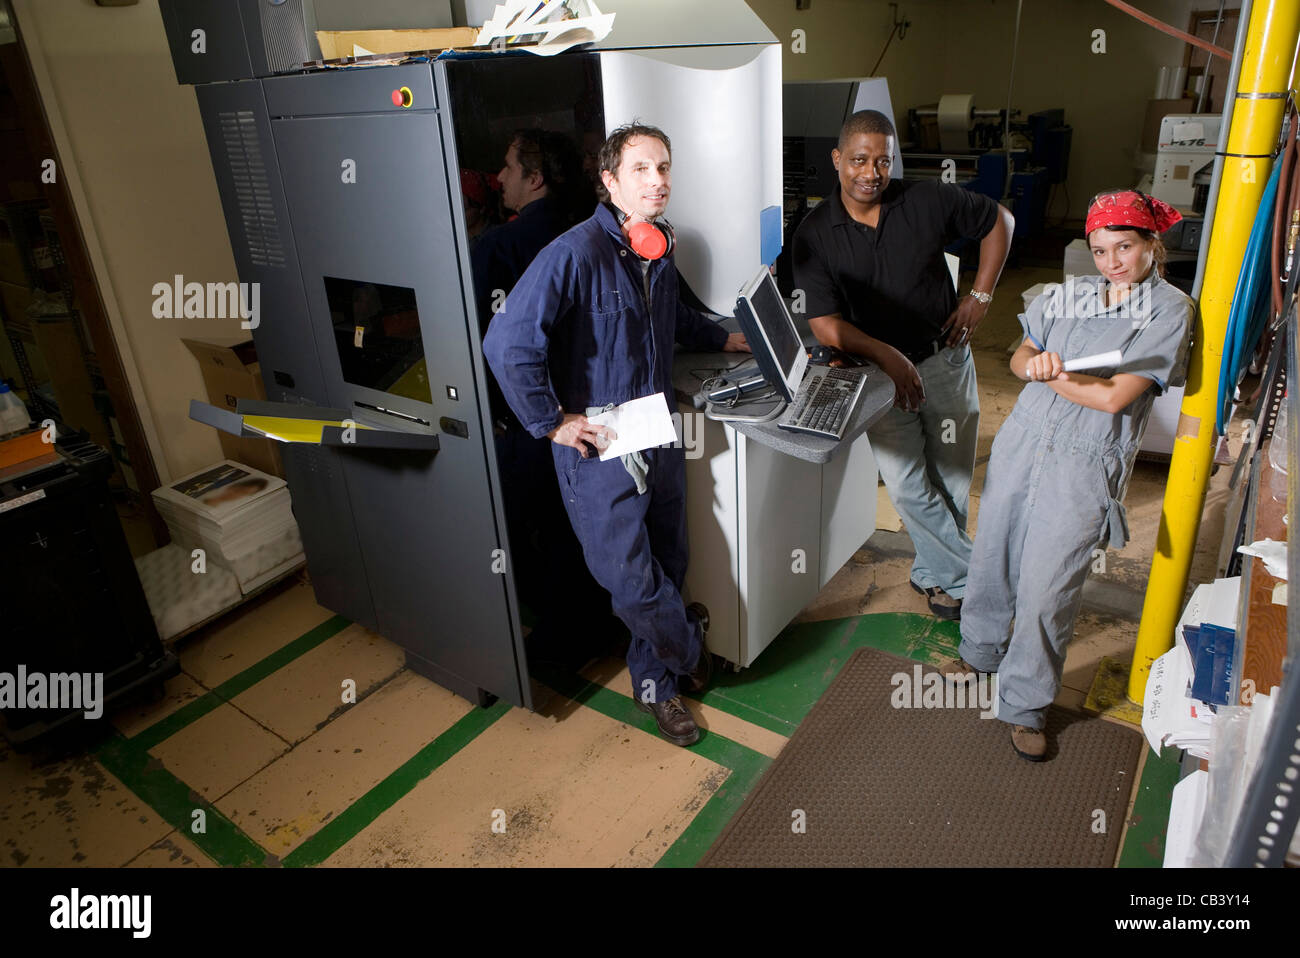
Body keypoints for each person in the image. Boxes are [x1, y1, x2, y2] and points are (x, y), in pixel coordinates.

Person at [483, 122, 749, 747]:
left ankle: (657, 684)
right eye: (641, 170)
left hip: (656, 429)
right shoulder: (574, 253)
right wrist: (552, 421)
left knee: (668, 559)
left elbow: (673, 315)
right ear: (609, 181)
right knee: (629, 578)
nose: (657, 181)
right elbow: (507, 342)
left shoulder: (657, 245)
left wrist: (719, 337)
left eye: (664, 168)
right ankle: (687, 652)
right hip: (600, 446)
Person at [948, 189, 1195, 761]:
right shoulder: (1070, 294)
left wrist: (1046, 374)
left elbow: (1115, 398)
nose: (1112, 263)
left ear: (1152, 245)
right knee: (994, 558)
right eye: (1101, 249)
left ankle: (1026, 705)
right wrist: (1032, 364)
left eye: (1125, 247)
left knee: (1048, 586)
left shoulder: (1168, 311)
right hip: (1023, 443)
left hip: (1085, 463)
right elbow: (1017, 355)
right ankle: (978, 653)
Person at [792, 109, 1014, 621]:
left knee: (953, 473)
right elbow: (824, 324)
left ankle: (935, 574)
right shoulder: (814, 233)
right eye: (858, 160)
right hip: (877, 378)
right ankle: (977, 583)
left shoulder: (926, 198)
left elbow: (1000, 219)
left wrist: (981, 294)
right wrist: (887, 355)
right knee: (909, 484)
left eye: (882, 161)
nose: (870, 173)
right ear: (837, 159)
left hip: (946, 360)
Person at [469, 129, 606, 662]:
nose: (498, 178)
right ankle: (593, 628)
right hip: (589, 413)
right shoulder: (588, 229)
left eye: (508, 167)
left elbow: (486, 342)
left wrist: (500, 419)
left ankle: (551, 645)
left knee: (524, 530)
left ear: (534, 178)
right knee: (576, 529)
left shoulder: (499, 247)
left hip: (531, 421)